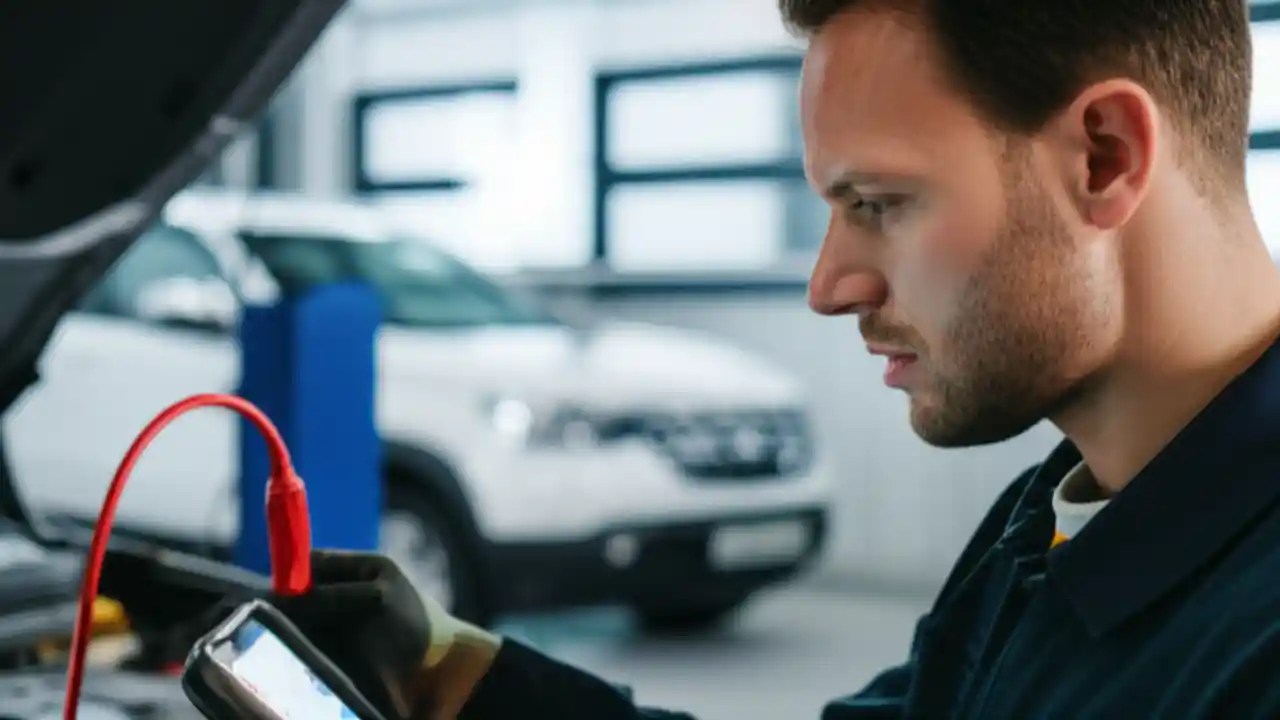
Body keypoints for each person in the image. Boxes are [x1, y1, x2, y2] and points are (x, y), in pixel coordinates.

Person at [276, 1, 1280, 717]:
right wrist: (455, 676)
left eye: (876, 205)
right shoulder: (1047, 526)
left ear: (1101, 155)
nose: (828, 283)